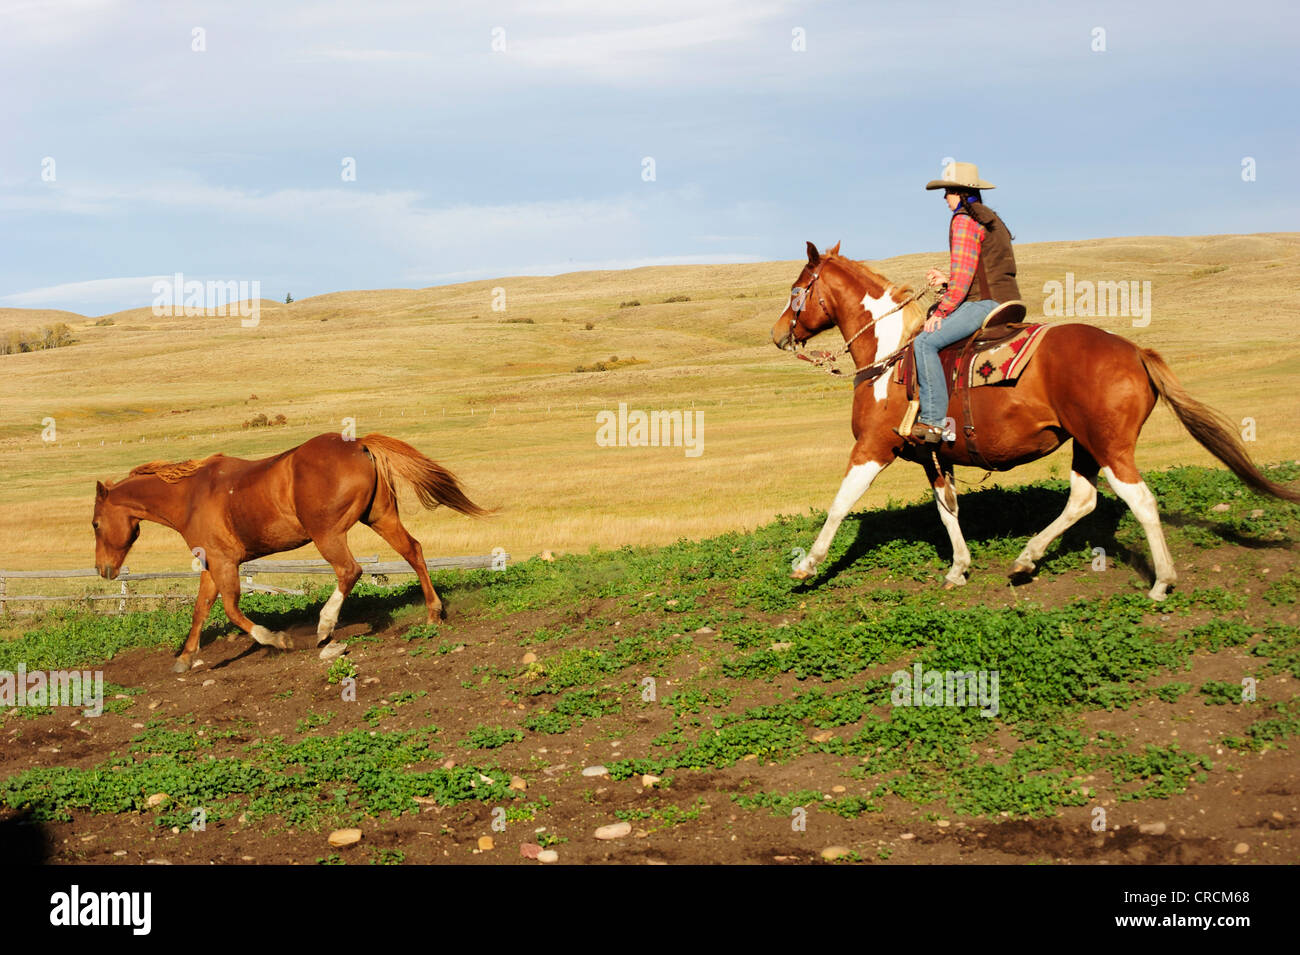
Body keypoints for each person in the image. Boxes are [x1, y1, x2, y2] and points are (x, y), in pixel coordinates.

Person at [905, 161, 1021, 444]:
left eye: (947, 191)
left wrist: (942, 310)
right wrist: (947, 280)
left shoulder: (964, 219)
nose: (945, 197)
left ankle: (934, 422)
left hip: (985, 304)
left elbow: (966, 274)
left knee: (925, 342)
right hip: (1008, 299)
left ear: (959, 192)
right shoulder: (991, 219)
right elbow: (981, 270)